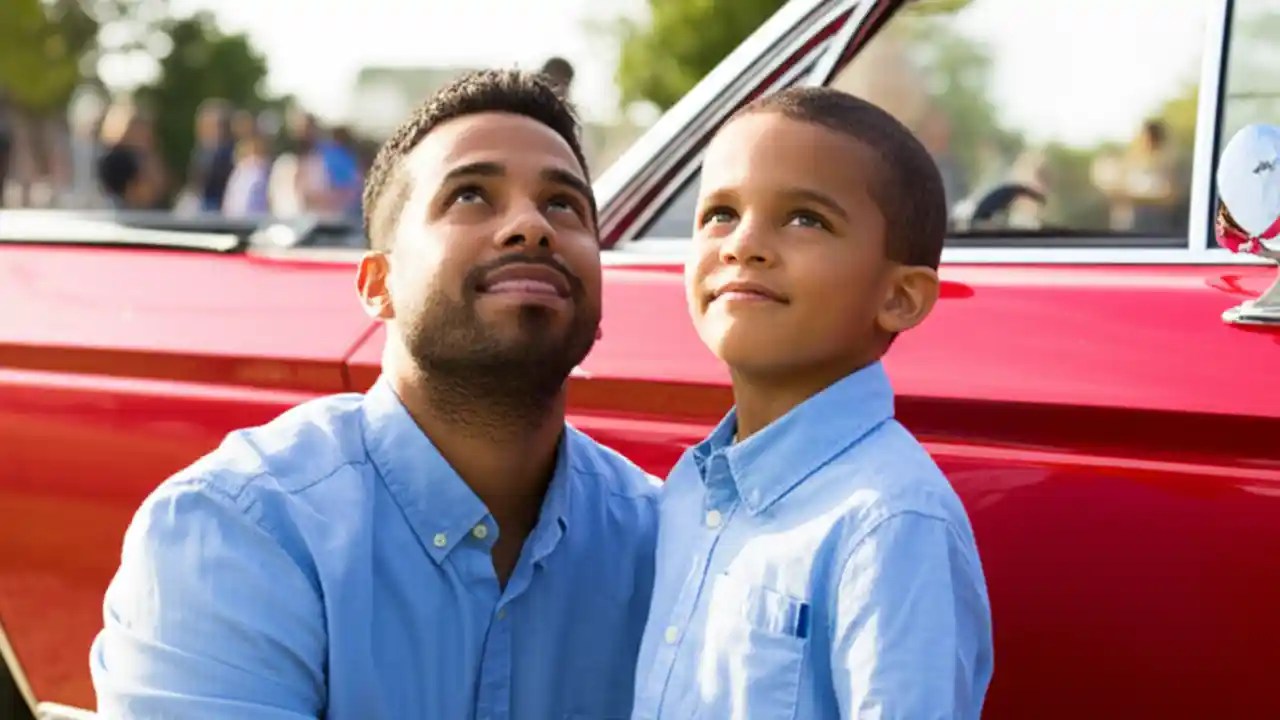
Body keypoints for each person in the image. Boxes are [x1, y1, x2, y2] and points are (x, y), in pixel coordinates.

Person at [90, 70, 659, 719]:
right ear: (377, 284)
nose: (532, 226)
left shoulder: (662, 543)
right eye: (471, 196)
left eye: (564, 205)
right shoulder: (238, 531)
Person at [631, 87, 993, 719]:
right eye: (719, 213)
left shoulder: (889, 523)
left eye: (805, 219)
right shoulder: (688, 490)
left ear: (901, 298)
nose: (743, 244)